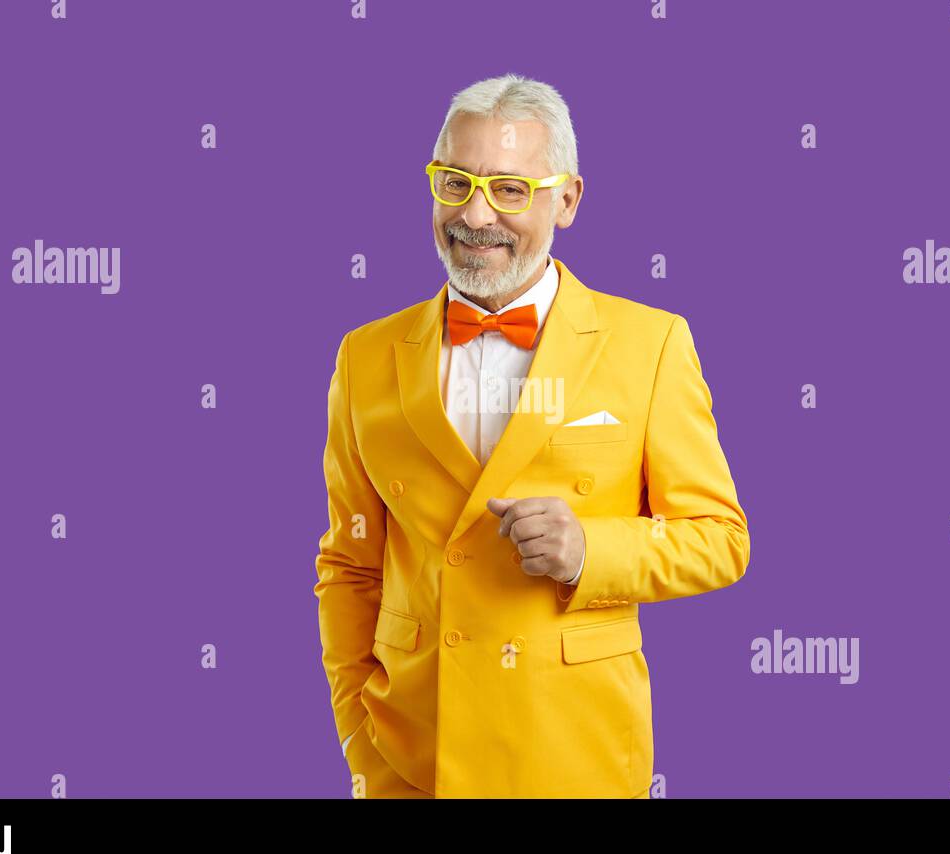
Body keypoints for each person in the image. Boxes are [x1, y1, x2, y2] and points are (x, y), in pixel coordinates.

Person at [315, 73, 750, 798]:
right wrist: (361, 740)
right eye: (454, 183)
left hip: (575, 754)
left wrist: (590, 550)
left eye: (511, 190)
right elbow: (349, 567)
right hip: (413, 760)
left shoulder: (651, 343)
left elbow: (721, 538)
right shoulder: (364, 355)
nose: (475, 213)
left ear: (568, 199)